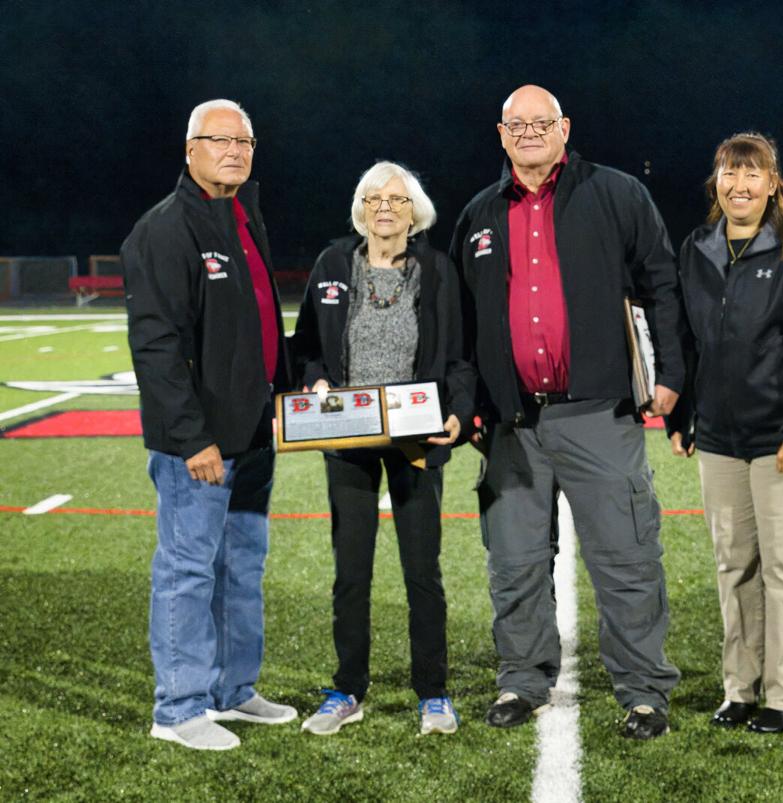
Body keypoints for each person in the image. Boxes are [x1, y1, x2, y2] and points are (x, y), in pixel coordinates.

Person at [449, 84, 684, 740]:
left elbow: (662, 281)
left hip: (597, 410)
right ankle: (522, 676)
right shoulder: (478, 215)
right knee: (514, 559)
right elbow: (462, 325)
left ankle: (643, 690)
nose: (529, 133)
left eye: (541, 122)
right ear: (500, 134)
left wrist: (670, 377)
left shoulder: (614, 193)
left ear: (564, 127)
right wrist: (468, 405)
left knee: (626, 555)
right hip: (510, 423)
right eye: (516, 124)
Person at [122, 99, 295, 750]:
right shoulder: (165, 229)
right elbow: (157, 346)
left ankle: (231, 690)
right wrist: (192, 436)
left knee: (241, 566)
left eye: (244, 140)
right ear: (188, 148)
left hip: (253, 434)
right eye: (218, 139)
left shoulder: (243, 216)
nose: (233, 150)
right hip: (201, 442)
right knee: (189, 569)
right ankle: (179, 707)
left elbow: (255, 324)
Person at [289, 161, 474, 737]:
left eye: (396, 199)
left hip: (415, 437)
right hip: (348, 437)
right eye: (374, 198)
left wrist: (461, 414)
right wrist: (315, 381)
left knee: (422, 570)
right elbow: (308, 347)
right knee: (351, 572)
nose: (385, 208)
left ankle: (433, 693)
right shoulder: (331, 264)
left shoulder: (439, 270)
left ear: (414, 210)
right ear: (361, 208)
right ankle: (348, 688)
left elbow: (461, 356)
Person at [667, 132, 783, 734]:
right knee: (734, 565)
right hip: (719, 436)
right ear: (716, 182)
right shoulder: (697, 248)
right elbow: (687, 342)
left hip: (782, 436)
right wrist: (682, 415)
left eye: (752, 175)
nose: (739, 186)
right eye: (728, 174)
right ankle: (740, 688)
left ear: (773, 184)